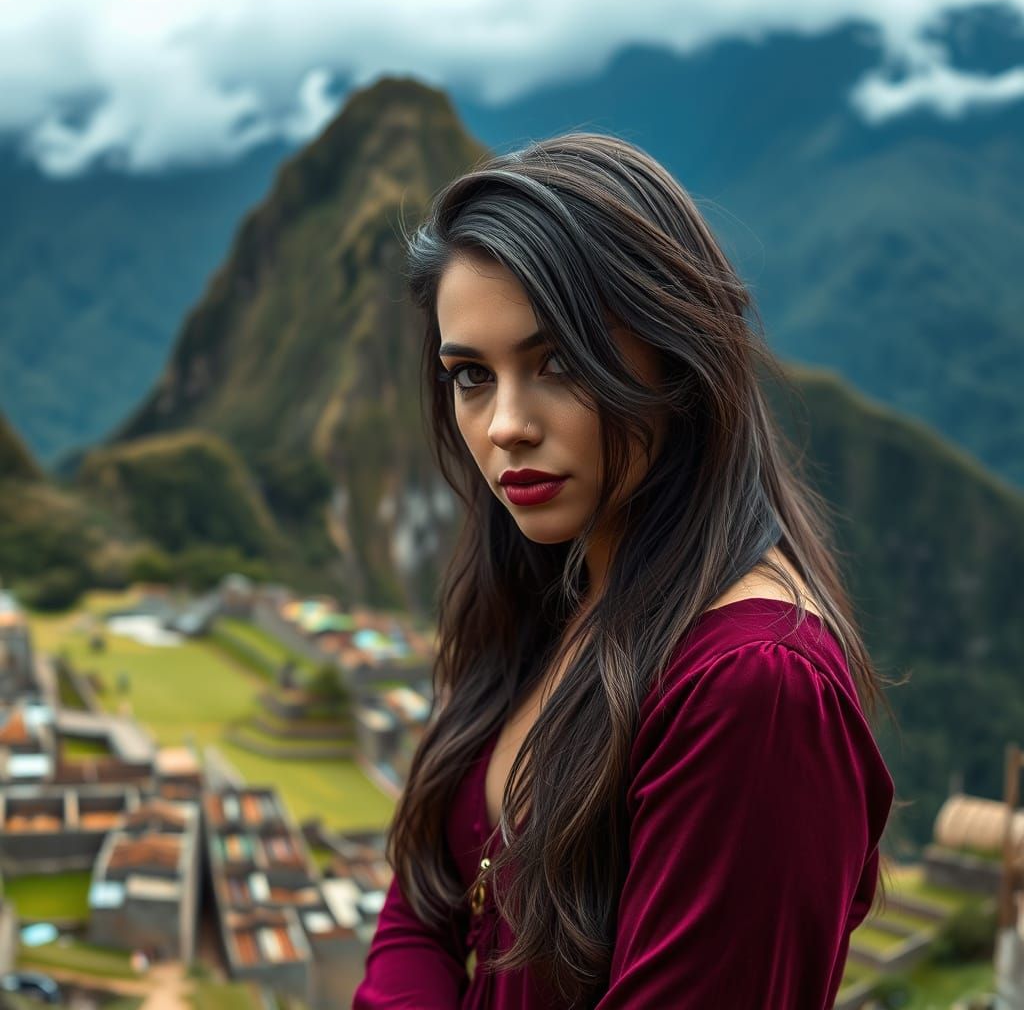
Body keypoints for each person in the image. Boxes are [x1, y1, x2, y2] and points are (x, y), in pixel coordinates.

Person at [352, 132, 897, 1009]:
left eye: (557, 363)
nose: (505, 426)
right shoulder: (543, 590)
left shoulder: (754, 689)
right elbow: (423, 906)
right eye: (470, 377)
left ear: (675, 359)